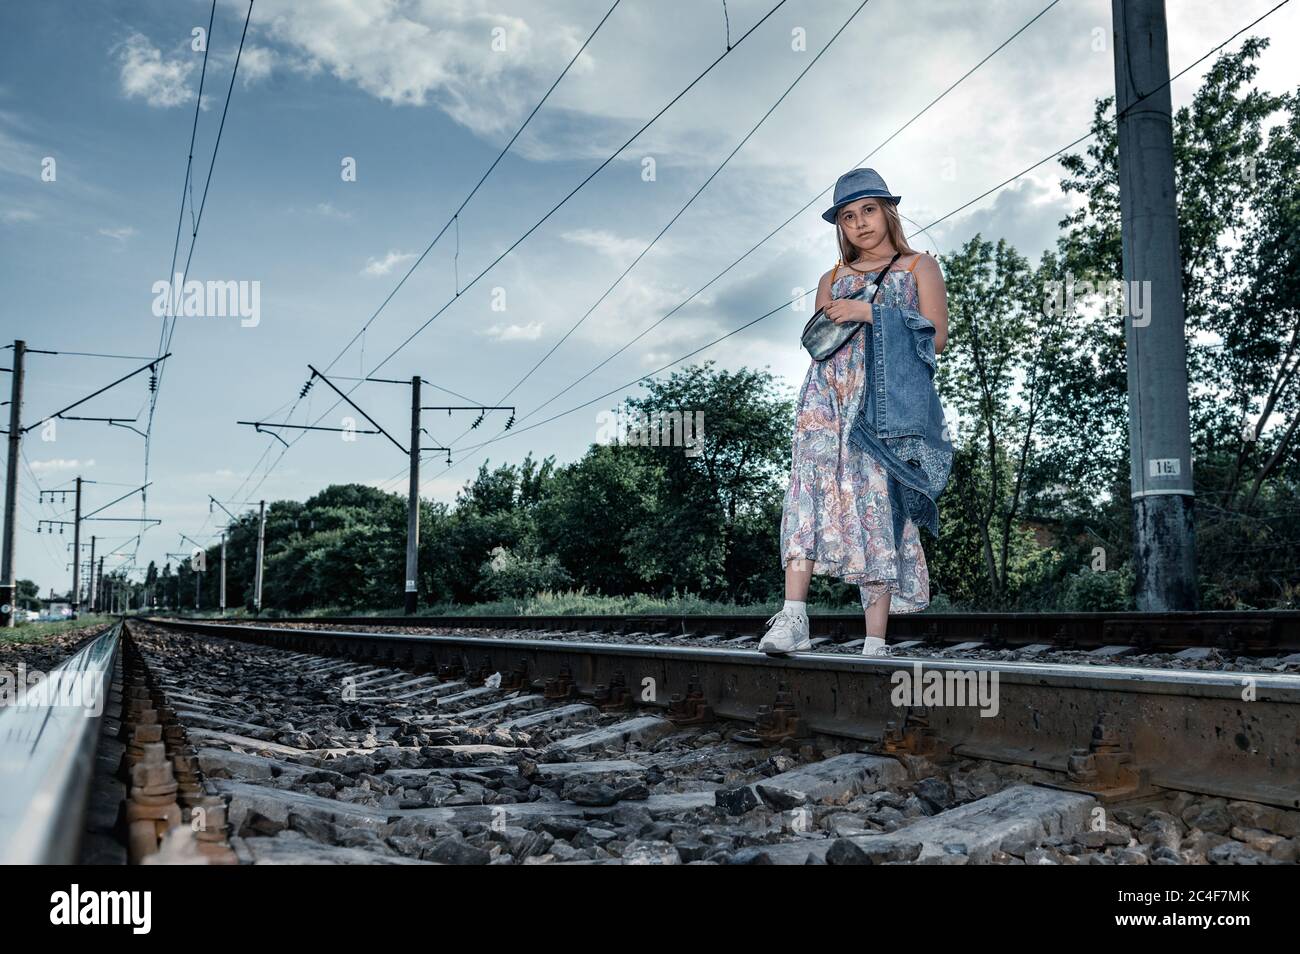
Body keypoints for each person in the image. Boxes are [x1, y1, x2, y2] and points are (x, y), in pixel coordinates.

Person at [760, 168, 949, 657]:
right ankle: (794, 619)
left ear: (887, 211)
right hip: (826, 400)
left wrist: (871, 313)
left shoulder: (919, 267)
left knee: (879, 502)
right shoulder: (832, 278)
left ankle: (875, 641)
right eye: (848, 216)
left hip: (885, 406)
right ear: (840, 226)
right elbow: (820, 346)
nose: (860, 223)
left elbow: (938, 338)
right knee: (807, 495)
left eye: (868, 210)